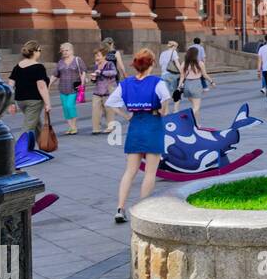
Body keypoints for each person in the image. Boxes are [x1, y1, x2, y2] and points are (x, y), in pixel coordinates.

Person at [106, 48, 170, 225]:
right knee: (150, 173)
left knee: (130, 171)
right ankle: (142, 209)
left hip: (135, 126)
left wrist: (126, 115)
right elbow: (165, 109)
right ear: (152, 63)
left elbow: (110, 102)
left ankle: (120, 208)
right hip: (153, 125)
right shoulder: (158, 82)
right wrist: (158, 109)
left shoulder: (125, 84)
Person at [8, 40, 51, 135]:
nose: (40, 53)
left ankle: (42, 145)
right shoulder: (38, 67)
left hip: (20, 101)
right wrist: (48, 103)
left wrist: (11, 103)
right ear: (34, 52)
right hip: (34, 101)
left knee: (35, 123)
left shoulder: (17, 67)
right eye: (39, 50)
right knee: (28, 127)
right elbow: (42, 86)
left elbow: (10, 84)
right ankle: (19, 148)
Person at [50, 42, 86, 136]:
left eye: (67, 50)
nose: (65, 52)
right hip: (62, 88)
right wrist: (48, 84)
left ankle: (74, 127)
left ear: (72, 50)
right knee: (65, 108)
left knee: (70, 106)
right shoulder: (60, 62)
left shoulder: (77, 60)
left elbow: (83, 72)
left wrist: (82, 84)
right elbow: (55, 75)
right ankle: (70, 127)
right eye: (63, 51)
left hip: (74, 88)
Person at [90, 38, 125, 134]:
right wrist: (93, 78)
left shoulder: (109, 64)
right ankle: (96, 128)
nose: (96, 57)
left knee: (108, 109)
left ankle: (110, 126)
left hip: (108, 90)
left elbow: (113, 72)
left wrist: (101, 72)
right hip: (97, 90)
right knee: (95, 109)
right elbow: (95, 78)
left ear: (104, 56)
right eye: (95, 56)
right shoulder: (96, 66)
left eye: (98, 55)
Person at [178, 44, 210, 122]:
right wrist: (211, 81)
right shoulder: (200, 63)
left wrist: (179, 87)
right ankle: (187, 116)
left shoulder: (184, 63)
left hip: (187, 85)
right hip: (196, 84)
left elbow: (182, 77)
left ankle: (197, 124)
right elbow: (204, 75)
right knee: (196, 107)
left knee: (195, 106)